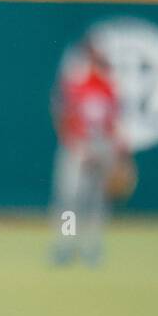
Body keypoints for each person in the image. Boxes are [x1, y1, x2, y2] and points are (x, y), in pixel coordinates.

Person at [49, 36, 129, 266]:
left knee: (96, 201)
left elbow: (113, 125)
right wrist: (77, 144)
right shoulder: (75, 86)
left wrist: (117, 151)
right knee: (69, 200)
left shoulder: (108, 89)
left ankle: (91, 246)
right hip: (77, 147)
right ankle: (65, 245)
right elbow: (64, 117)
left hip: (101, 147)